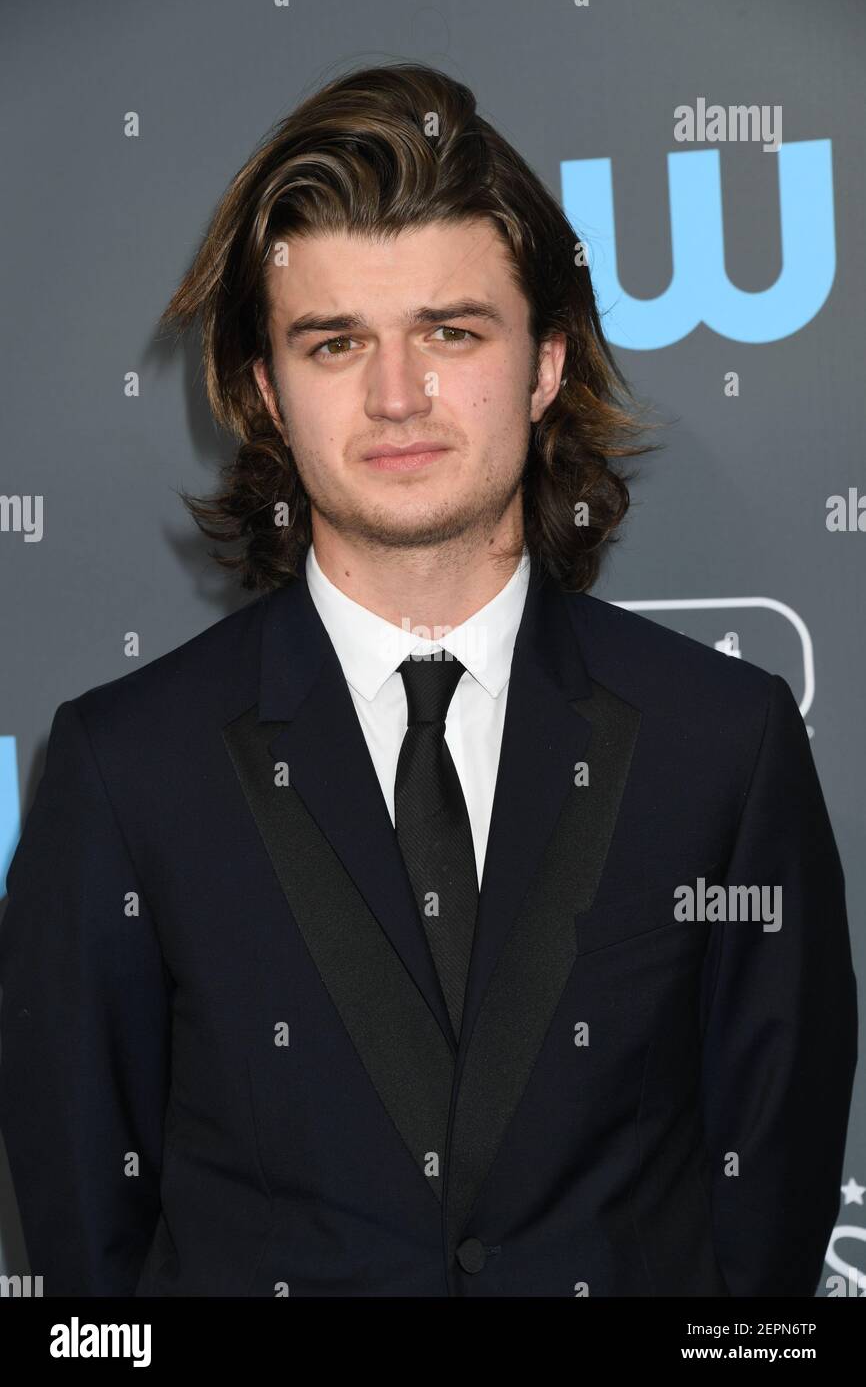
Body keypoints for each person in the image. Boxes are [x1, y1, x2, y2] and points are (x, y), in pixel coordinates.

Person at [0, 62, 857, 1298]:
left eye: (449, 332)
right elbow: (93, 1258)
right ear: (264, 392)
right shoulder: (126, 770)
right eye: (334, 341)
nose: (396, 396)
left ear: (546, 363)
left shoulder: (722, 746)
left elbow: (764, 1231)